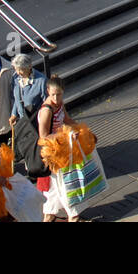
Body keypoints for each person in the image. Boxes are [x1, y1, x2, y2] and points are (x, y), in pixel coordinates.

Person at [36, 76, 86, 222]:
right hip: (54, 156)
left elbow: (67, 120)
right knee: (65, 190)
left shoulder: (60, 105)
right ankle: (71, 214)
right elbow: (43, 137)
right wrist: (66, 136)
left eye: (59, 94)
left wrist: (82, 131)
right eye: (53, 95)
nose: (56, 98)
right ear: (47, 92)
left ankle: (53, 215)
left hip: (62, 152)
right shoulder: (47, 110)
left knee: (53, 195)